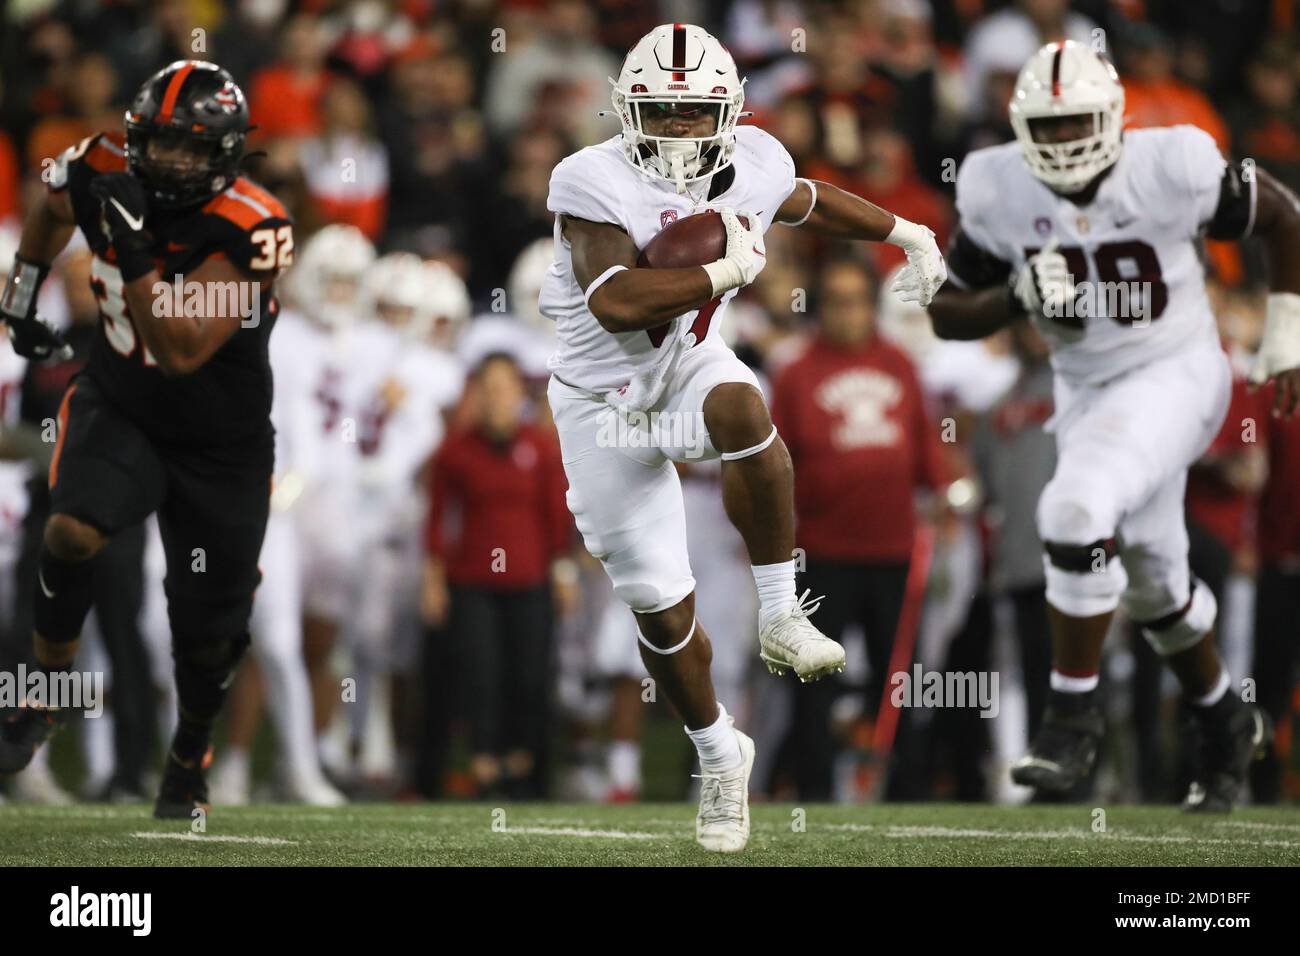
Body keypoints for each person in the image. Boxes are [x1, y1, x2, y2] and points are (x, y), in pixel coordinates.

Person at [542, 23, 946, 851]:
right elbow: (616, 301)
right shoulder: (589, 176)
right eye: (664, 111)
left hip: (687, 359)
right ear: (628, 109)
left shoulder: (757, 160)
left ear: (728, 111)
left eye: (696, 111)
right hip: (600, 402)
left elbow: (807, 199)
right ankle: (720, 754)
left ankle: (779, 611)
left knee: (744, 412)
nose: (681, 128)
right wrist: (726, 269)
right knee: (660, 610)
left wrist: (907, 233)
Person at [928, 41, 1300, 812]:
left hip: (1179, 369)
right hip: (1088, 390)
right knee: (1157, 585)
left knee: (1073, 508)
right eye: (1048, 127)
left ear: (1113, 119)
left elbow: (1283, 215)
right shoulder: (998, 185)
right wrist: (1017, 295)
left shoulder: (1173, 164)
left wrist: (1286, 335)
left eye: (1077, 124)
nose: (1063, 142)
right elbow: (945, 311)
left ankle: (1071, 717)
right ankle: (1225, 720)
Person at [0, 60, 293, 820]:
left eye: (194, 149)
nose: (172, 162)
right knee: (68, 532)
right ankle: (44, 692)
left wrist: (132, 251)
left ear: (227, 153)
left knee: (208, 630)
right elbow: (50, 209)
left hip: (220, 442)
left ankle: (190, 750)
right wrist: (23, 295)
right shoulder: (101, 162)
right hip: (124, 404)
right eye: (161, 143)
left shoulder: (256, 225)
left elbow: (184, 348)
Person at [770, 258, 947, 800]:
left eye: (856, 301)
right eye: (835, 301)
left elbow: (925, 447)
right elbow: (776, 462)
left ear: (874, 306)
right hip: (821, 553)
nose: (847, 313)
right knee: (813, 680)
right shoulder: (797, 373)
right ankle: (814, 792)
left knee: (900, 678)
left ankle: (905, 791)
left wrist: (946, 496)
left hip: (894, 549)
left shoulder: (900, 365)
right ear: (820, 309)